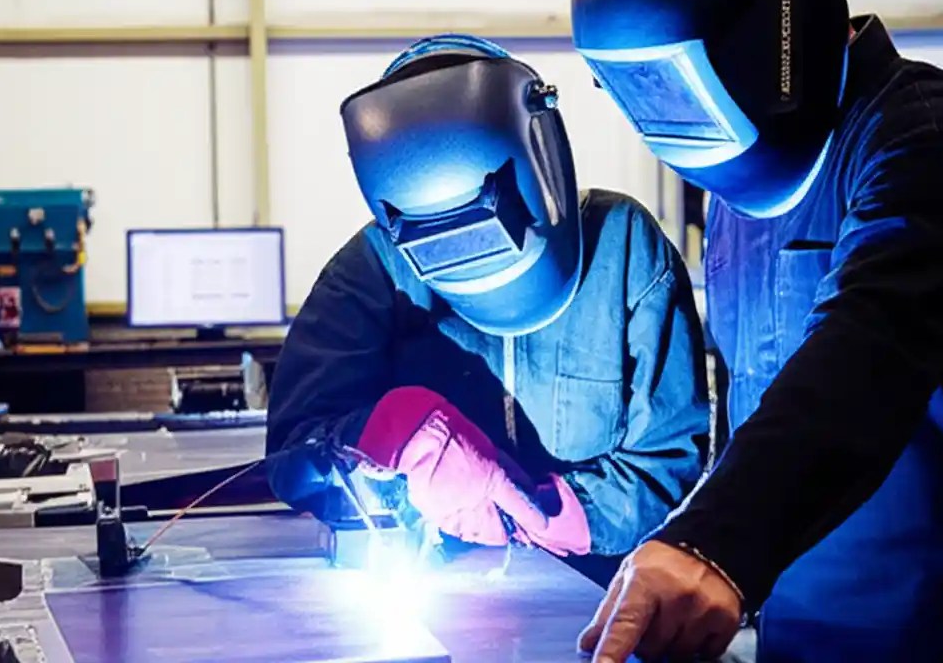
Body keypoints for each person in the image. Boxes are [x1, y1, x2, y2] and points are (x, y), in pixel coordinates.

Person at [569, 0, 943, 661]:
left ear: (778, 34)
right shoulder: (740, 198)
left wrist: (713, 541)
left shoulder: (927, 137)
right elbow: (757, 411)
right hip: (796, 634)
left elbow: (868, 347)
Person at [264, 34, 713, 582]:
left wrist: (543, 511)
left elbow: (669, 456)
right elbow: (292, 457)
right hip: (444, 582)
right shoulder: (371, 269)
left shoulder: (622, 247)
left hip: (603, 584)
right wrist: (383, 438)